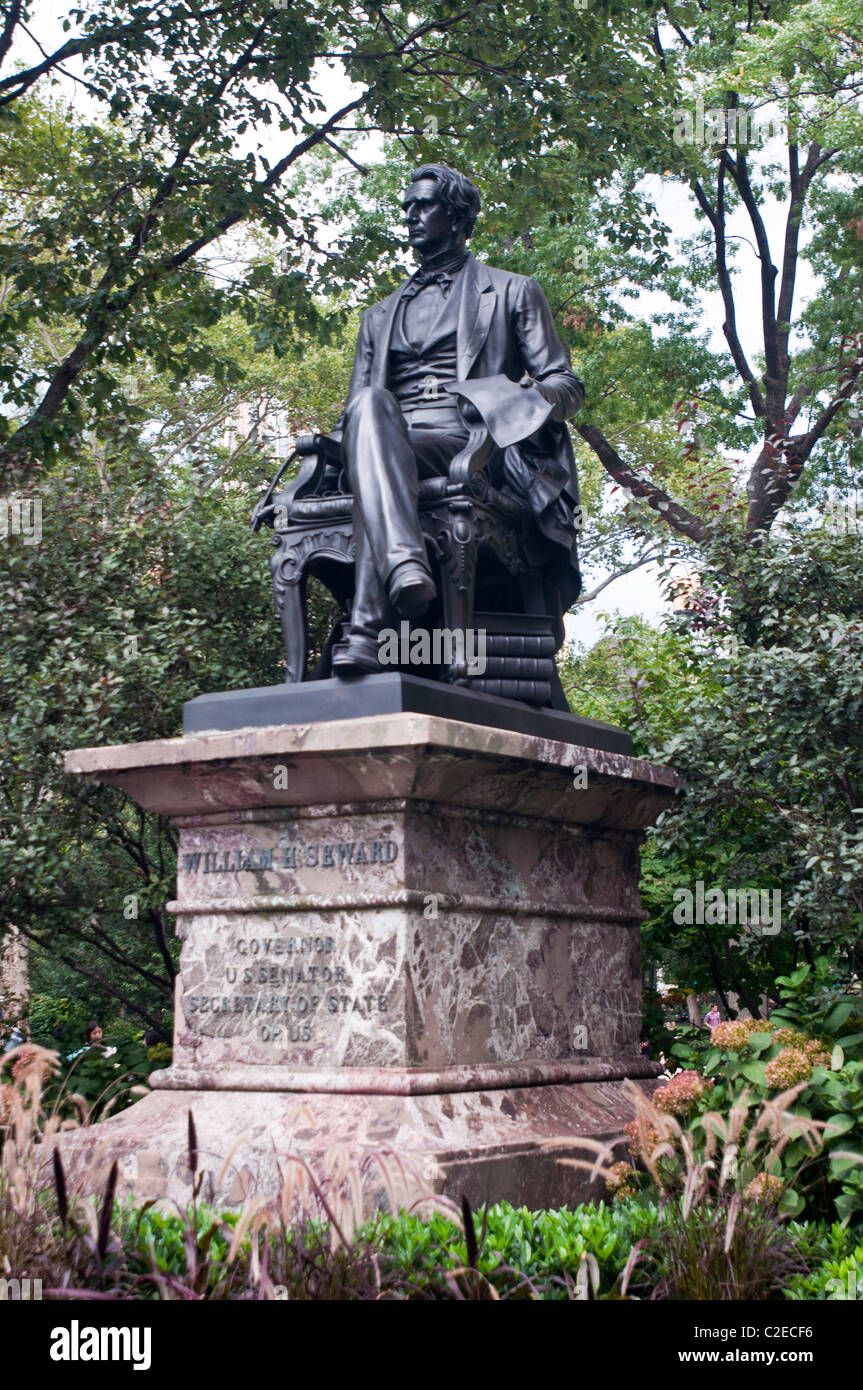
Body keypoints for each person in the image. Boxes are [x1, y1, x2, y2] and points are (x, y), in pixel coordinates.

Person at [326, 163, 585, 672]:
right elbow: (352, 412)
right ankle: (405, 565)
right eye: (407, 206)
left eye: (424, 205)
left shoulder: (512, 290)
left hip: (466, 440)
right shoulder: (377, 317)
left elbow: (566, 386)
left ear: (458, 214)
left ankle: (367, 628)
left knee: (372, 427)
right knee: (372, 407)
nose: (410, 216)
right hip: (386, 436)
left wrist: (509, 401)